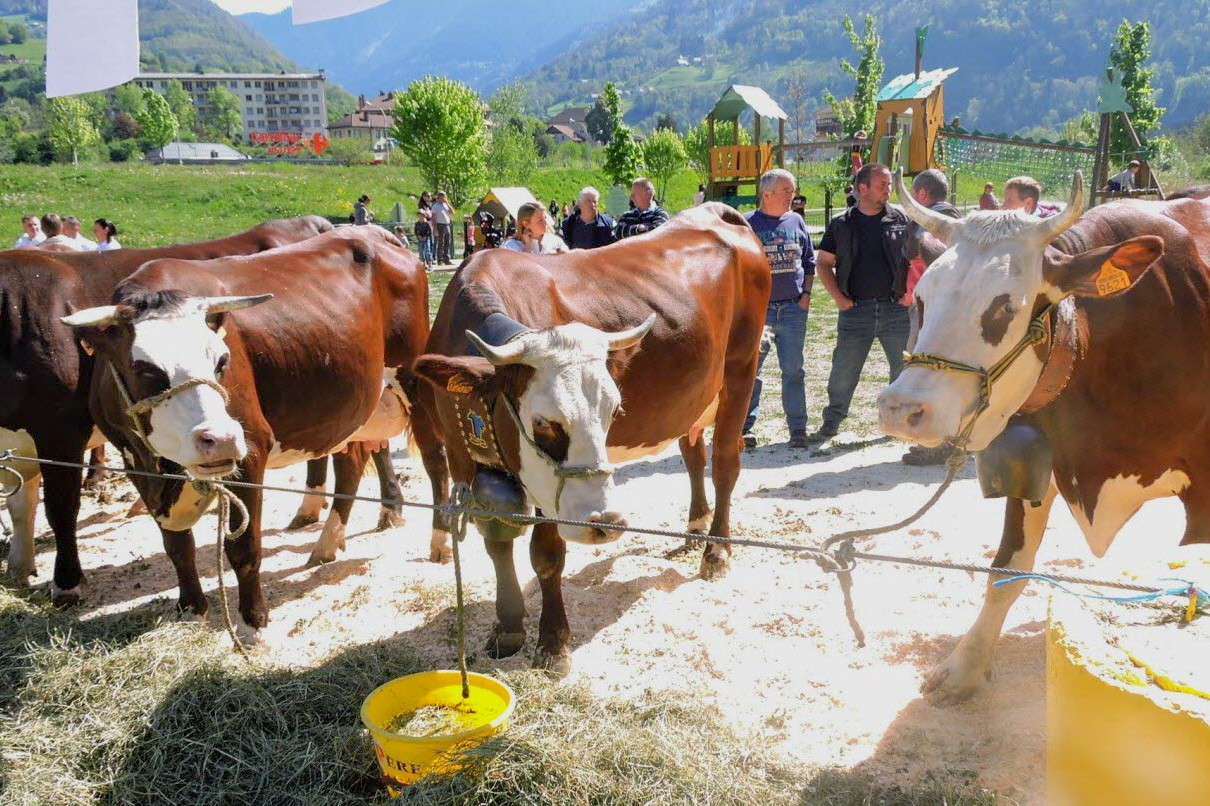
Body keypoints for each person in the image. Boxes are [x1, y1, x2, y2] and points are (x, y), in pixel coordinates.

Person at [810, 163, 912, 444]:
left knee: (903, 369)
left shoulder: (901, 220)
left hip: (896, 309)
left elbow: (916, 259)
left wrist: (910, 292)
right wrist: (839, 299)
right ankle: (832, 421)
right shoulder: (841, 225)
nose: (888, 190)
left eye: (889, 184)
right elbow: (823, 264)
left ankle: (898, 422)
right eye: (882, 184)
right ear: (862, 187)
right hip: (856, 311)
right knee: (844, 369)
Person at [742, 169, 816, 450]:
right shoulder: (746, 224)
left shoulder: (796, 220)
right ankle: (743, 428)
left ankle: (798, 429)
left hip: (794, 309)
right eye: (787, 191)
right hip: (759, 312)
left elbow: (809, 261)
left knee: (794, 370)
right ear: (767, 193)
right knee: (751, 371)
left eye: (793, 190)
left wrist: (806, 295)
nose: (792, 196)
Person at [901, 169, 962, 466]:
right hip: (930, 304)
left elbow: (925, 249)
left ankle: (939, 443)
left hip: (934, 308)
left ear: (923, 194)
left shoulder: (940, 217)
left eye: (915, 194)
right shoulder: (944, 216)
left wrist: (921, 235)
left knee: (929, 370)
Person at [501, 203, 568, 254]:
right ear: (526, 224)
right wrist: (528, 247)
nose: (545, 223)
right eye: (540, 220)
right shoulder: (511, 247)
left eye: (545, 218)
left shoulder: (555, 242)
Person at [431, 191, 455, 264]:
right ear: (439, 197)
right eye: (442, 197)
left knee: (447, 242)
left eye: (445, 197)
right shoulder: (435, 206)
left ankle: (446, 259)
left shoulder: (445, 205)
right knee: (441, 243)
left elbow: (452, 212)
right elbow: (433, 218)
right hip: (439, 225)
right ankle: (439, 259)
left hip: (446, 224)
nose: (444, 198)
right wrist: (435, 228)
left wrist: (447, 203)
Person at [414, 193, 434, 267]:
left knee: (427, 250)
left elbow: (429, 231)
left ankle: (430, 263)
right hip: (420, 239)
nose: (420, 217)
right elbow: (416, 231)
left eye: (422, 216)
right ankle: (423, 263)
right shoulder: (417, 224)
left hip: (426, 238)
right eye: (419, 216)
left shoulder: (427, 224)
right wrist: (418, 236)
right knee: (421, 251)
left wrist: (426, 236)